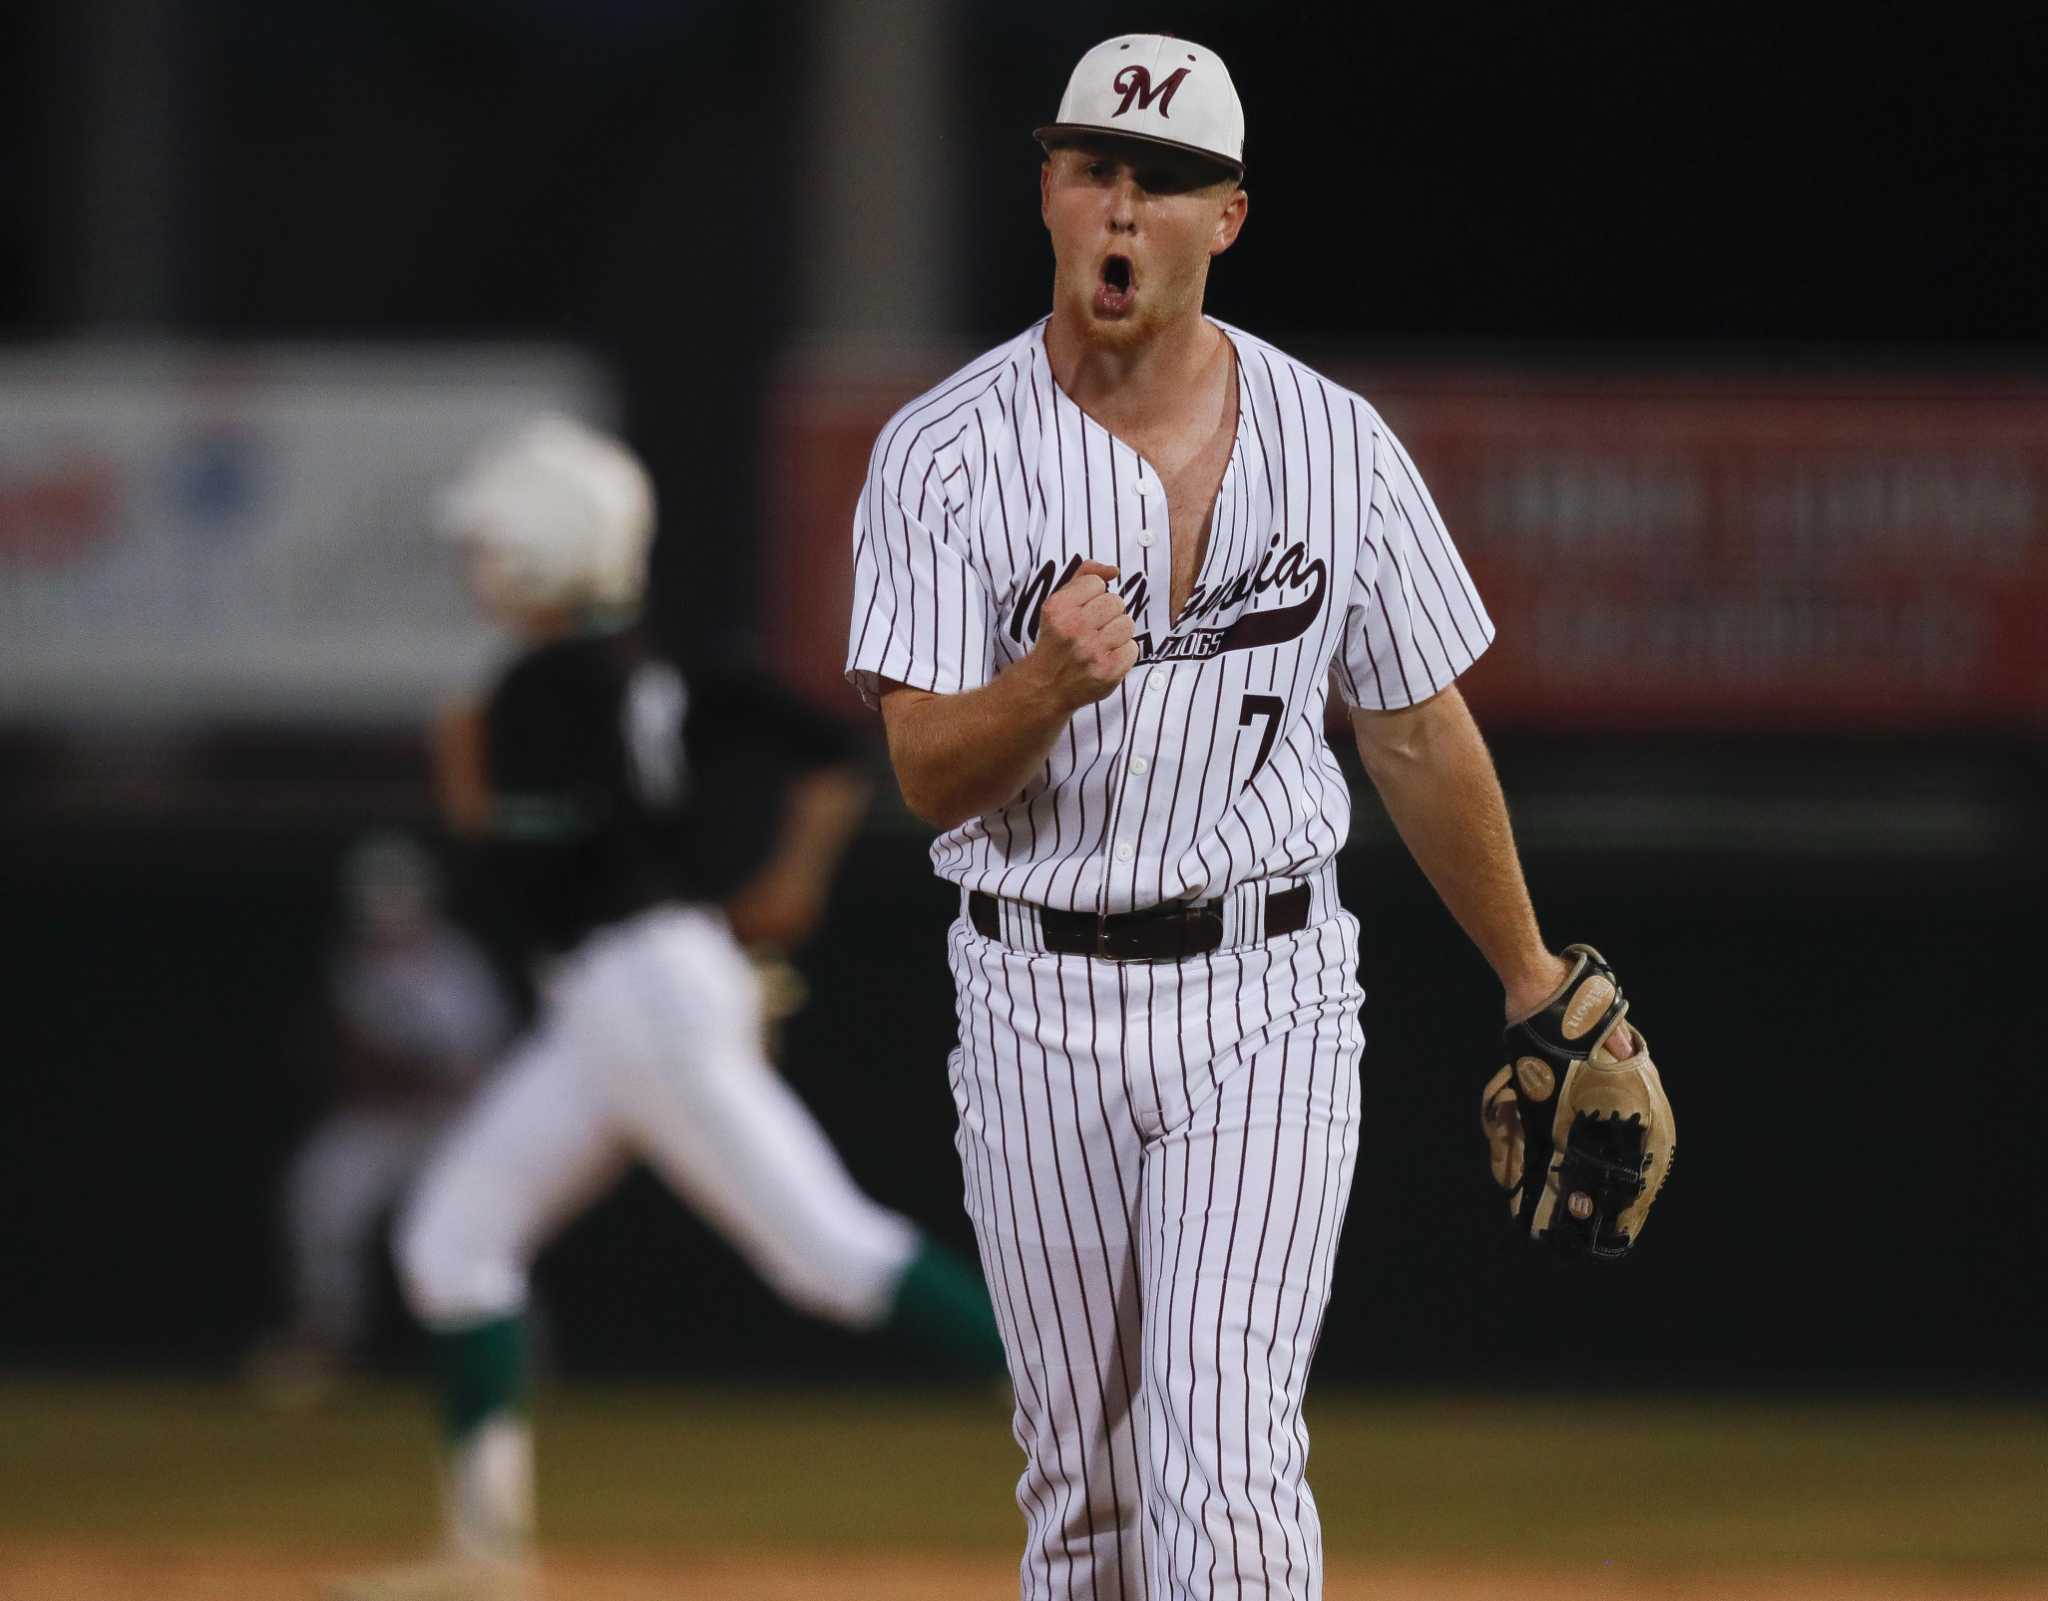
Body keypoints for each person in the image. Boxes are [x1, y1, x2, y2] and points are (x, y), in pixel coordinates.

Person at [845, 34, 1639, 1601]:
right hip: (1031, 988)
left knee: (1221, 1454)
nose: (1122, 211)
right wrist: (1042, 690)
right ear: (1052, 195)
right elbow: (928, 769)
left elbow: (1415, 730)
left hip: (1262, 988)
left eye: (1165, 183)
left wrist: (1536, 976)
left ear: (1229, 219)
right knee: (1083, 1494)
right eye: (1094, 172)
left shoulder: (1334, 443)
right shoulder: (941, 455)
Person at [332, 415, 1002, 1601]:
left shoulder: (535, 687)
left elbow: (526, 883)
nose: (479, 560)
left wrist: (465, 785)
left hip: (635, 987)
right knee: (453, 1234)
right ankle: (484, 1551)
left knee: (827, 1251)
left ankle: (1122, 1428)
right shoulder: (646, 659)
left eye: (493, 540)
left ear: (541, 547)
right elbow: (822, 753)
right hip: (639, 988)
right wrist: (782, 882)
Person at [250, 831, 514, 1407]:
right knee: (321, 1189)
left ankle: (512, 1350)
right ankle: (325, 1339)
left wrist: (405, 1070)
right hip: (381, 1127)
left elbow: (481, 1065)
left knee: (483, 1230)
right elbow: (351, 1060)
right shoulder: (354, 960)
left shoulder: (453, 962)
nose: (386, 916)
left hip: (451, 1128)